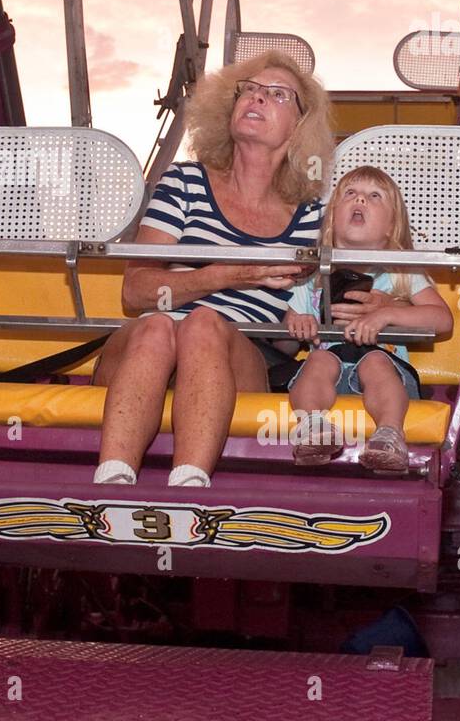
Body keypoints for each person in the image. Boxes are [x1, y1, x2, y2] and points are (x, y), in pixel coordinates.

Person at [92, 51, 335, 489]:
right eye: (249, 90)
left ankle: (189, 486)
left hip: (241, 357)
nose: (257, 98)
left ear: (301, 125)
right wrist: (228, 274)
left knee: (204, 325)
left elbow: (313, 310)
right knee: (157, 327)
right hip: (151, 354)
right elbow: (136, 293)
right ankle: (111, 482)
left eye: (277, 94)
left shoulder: (312, 215)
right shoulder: (184, 182)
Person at [284, 166, 453, 473]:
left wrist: (388, 314)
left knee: (374, 362)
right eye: (350, 193)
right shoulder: (311, 276)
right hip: (328, 366)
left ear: (391, 226)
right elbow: (291, 314)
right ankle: (313, 427)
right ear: (333, 218)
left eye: (373, 196)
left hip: (384, 366)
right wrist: (298, 321)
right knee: (319, 361)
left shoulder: (402, 273)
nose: (359, 199)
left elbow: (442, 320)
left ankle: (389, 434)